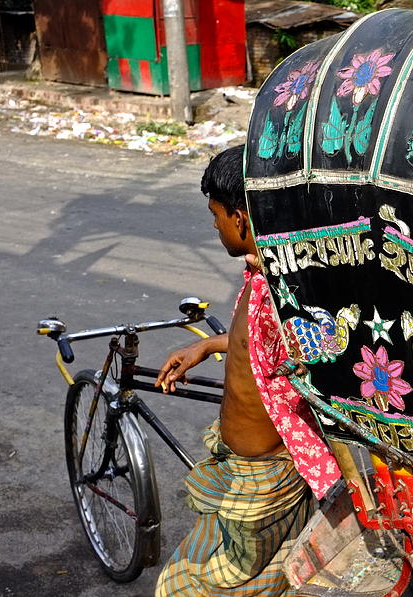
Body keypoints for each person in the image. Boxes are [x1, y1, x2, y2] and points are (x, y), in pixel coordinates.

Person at [154, 144, 341, 595]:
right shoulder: (263, 272)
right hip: (246, 467)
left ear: (239, 217)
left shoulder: (284, 290)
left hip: (263, 481)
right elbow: (257, 346)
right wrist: (210, 346)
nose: (214, 226)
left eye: (215, 216)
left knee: (184, 587)